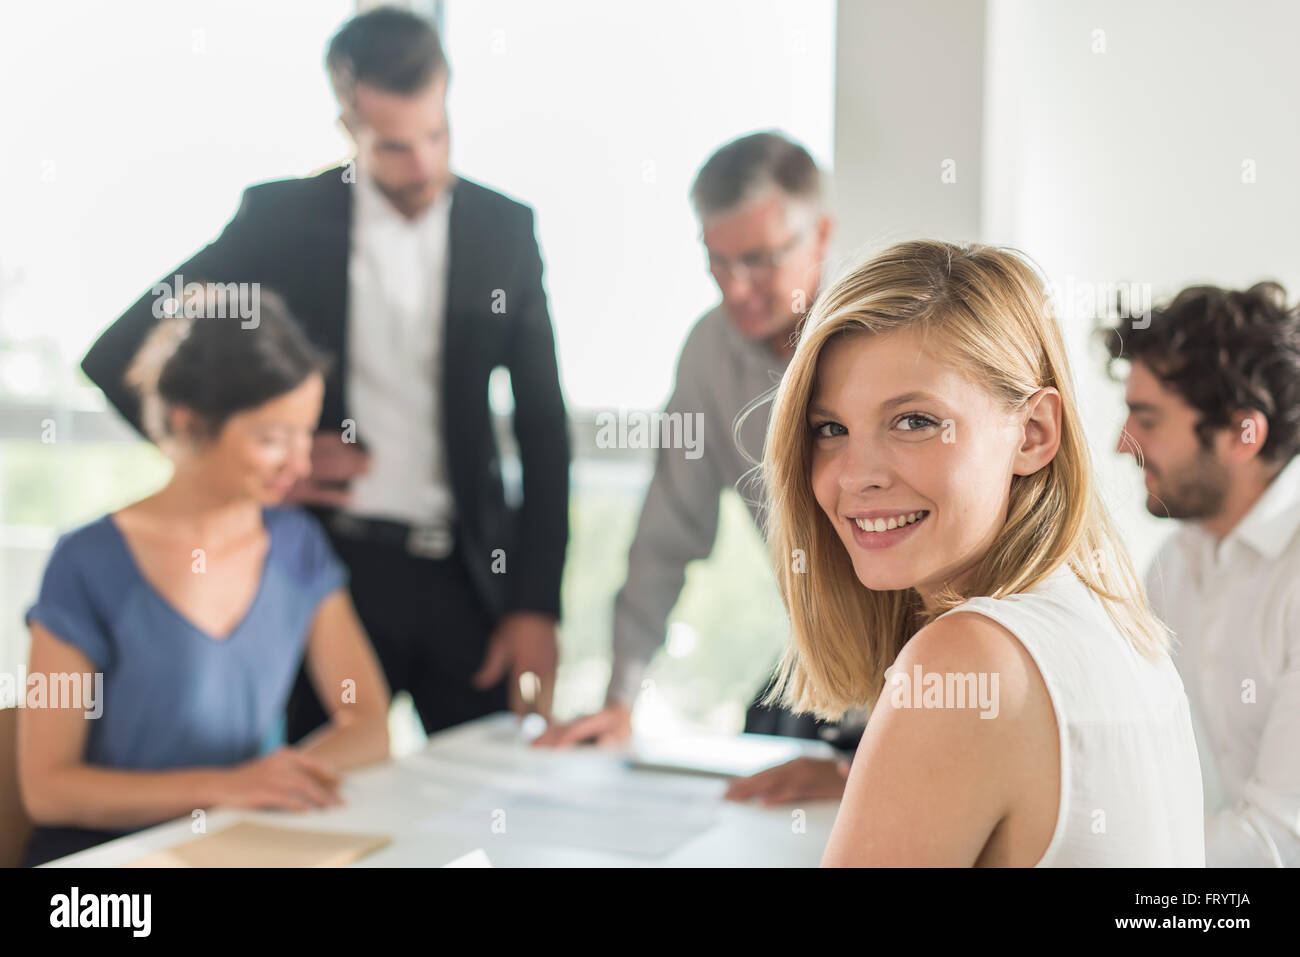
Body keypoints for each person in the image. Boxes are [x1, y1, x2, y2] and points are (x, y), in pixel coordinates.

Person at [79, 7, 570, 741]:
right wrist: (244, 464)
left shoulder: (505, 230)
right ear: (347, 124)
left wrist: (537, 603)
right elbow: (118, 351)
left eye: (438, 136)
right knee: (316, 813)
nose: (425, 166)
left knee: (488, 810)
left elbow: (543, 428)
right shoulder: (282, 220)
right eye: (395, 146)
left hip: (469, 581)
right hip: (327, 574)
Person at [762, 239, 1204, 866]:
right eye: (830, 429)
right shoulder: (1119, 626)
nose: (855, 476)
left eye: (913, 421)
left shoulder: (964, 660)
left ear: (1034, 432)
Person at [534, 132, 860, 804]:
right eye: (719, 262)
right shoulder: (710, 351)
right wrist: (621, 697)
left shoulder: (884, 329)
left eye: (761, 260)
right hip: (824, 661)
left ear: (821, 234)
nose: (736, 287)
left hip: (926, 665)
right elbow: (665, 537)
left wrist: (863, 764)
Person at [18, 294, 390, 866]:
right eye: (271, 438)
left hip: (235, 846)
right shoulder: (85, 563)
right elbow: (49, 789)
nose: (299, 465)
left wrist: (281, 777)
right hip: (106, 866)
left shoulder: (297, 548)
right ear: (189, 422)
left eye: (303, 434)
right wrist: (229, 785)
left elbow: (367, 720)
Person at [1105, 282, 1300, 867]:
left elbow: (1282, 842)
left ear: (1244, 435)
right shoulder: (1176, 562)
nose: (1122, 444)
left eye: (1148, 419)